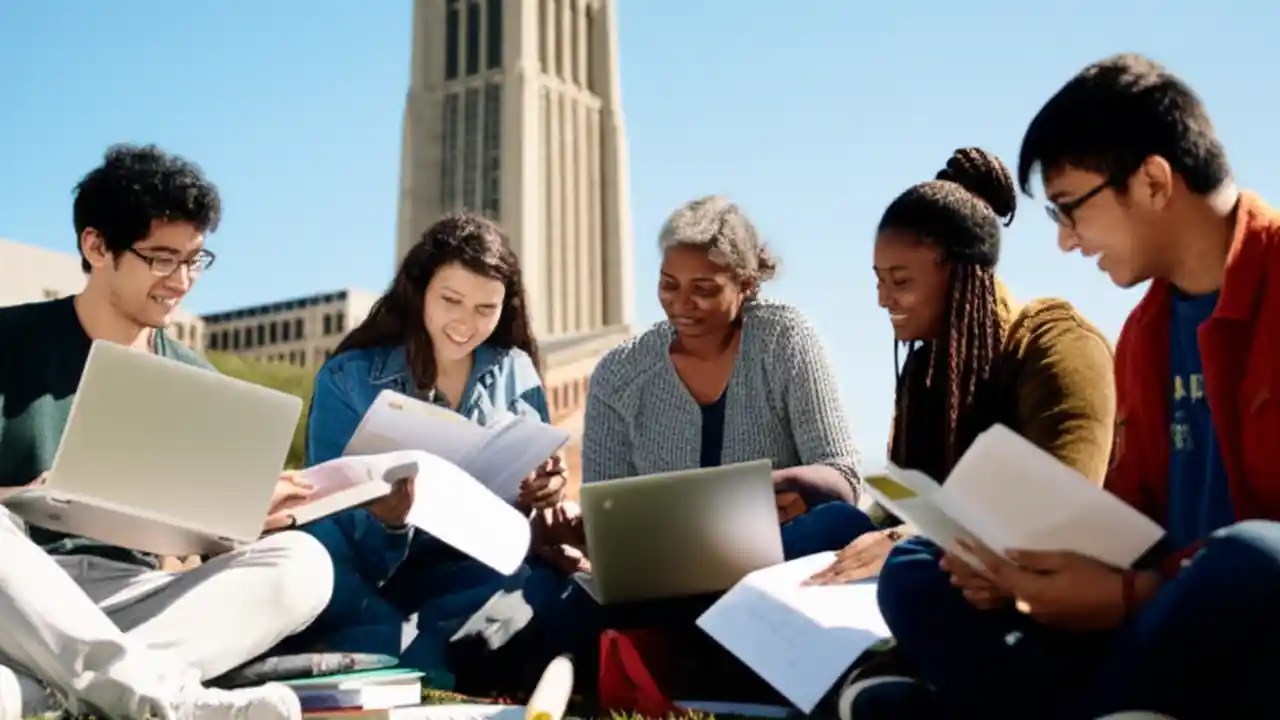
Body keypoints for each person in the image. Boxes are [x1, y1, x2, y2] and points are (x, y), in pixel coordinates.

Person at [845, 54, 1280, 720]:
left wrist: (1130, 595)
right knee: (917, 575)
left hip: (1239, 621)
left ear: (1154, 181)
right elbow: (1132, 521)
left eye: (1071, 209)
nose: (1068, 242)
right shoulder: (1144, 332)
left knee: (1252, 561)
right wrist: (1021, 576)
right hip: (1142, 626)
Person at [0, 144, 334, 720]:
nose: (181, 281)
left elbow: (186, 562)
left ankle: (53, 694)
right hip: (22, 592)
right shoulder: (10, 341)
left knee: (303, 566)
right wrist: (28, 498)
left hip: (136, 597)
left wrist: (236, 518)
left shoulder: (197, 381)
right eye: (161, 259)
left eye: (194, 260)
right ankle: (164, 700)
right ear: (96, 246)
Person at [809, 146, 1115, 589]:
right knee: (831, 525)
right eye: (879, 280)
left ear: (962, 277)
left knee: (910, 564)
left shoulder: (1058, 345)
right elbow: (908, 504)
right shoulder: (926, 369)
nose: (882, 299)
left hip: (1045, 588)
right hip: (942, 573)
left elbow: (1057, 506)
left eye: (901, 281)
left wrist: (905, 538)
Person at [296, 213, 569, 691]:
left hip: (475, 570)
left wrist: (543, 489)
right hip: (375, 578)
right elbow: (324, 520)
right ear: (419, 291)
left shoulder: (517, 371)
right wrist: (387, 518)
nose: (466, 323)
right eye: (451, 300)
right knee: (343, 608)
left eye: (487, 309)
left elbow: (523, 504)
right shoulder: (348, 378)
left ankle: (461, 651)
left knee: (551, 589)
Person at [582, 195, 870, 560]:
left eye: (703, 289)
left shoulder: (783, 339)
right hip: (667, 567)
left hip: (775, 556)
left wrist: (772, 486)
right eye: (669, 284)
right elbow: (603, 517)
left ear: (746, 284)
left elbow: (843, 477)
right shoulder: (620, 372)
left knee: (840, 524)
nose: (682, 303)